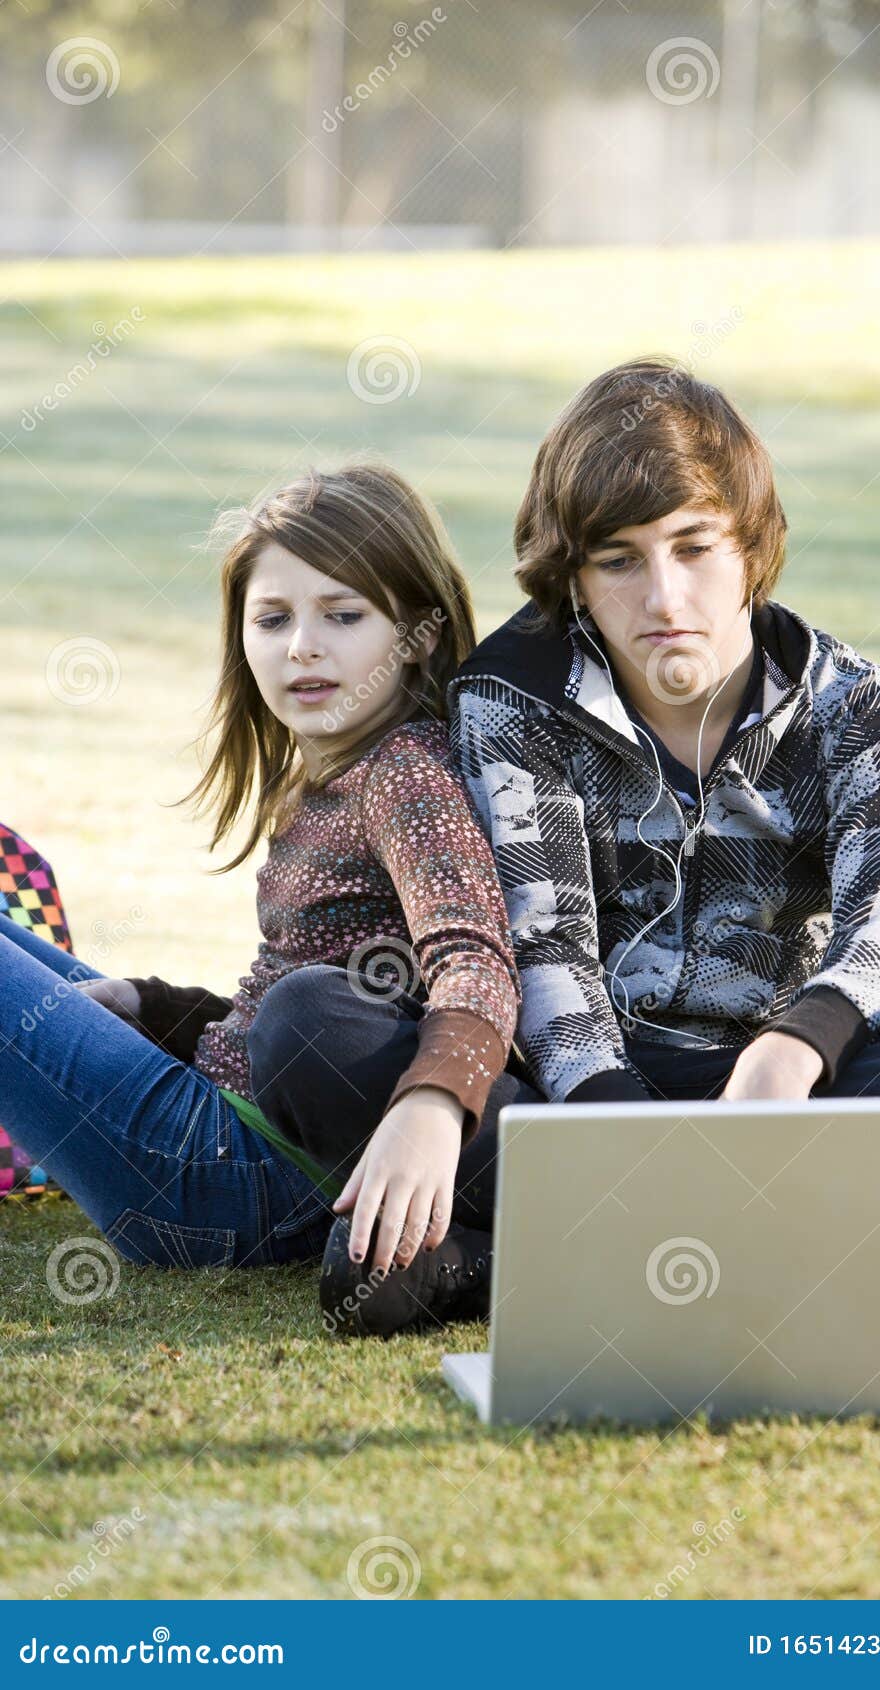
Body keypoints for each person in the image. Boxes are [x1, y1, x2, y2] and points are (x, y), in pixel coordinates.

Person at [442, 358, 880, 1126]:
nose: (663, 598)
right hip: (575, 1088)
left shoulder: (856, 708)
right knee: (330, 1031)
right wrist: (607, 1134)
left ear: (750, 548)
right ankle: (734, 1205)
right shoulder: (510, 701)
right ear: (573, 578)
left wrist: (791, 1049)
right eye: (617, 560)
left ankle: (624, 1214)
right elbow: (543, 948)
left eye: (694, 547)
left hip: (787, 1083)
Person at [0, 463, 521, 1337]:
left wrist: (432, 1106)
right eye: (272, 619)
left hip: (230, 1179)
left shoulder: (406, 775)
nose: (301, 647)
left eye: (343, 616)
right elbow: (278, 1000)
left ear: (419, 634)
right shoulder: (325, 772)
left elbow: (473, 958)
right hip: (229, 1126)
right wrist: (156, 1009)